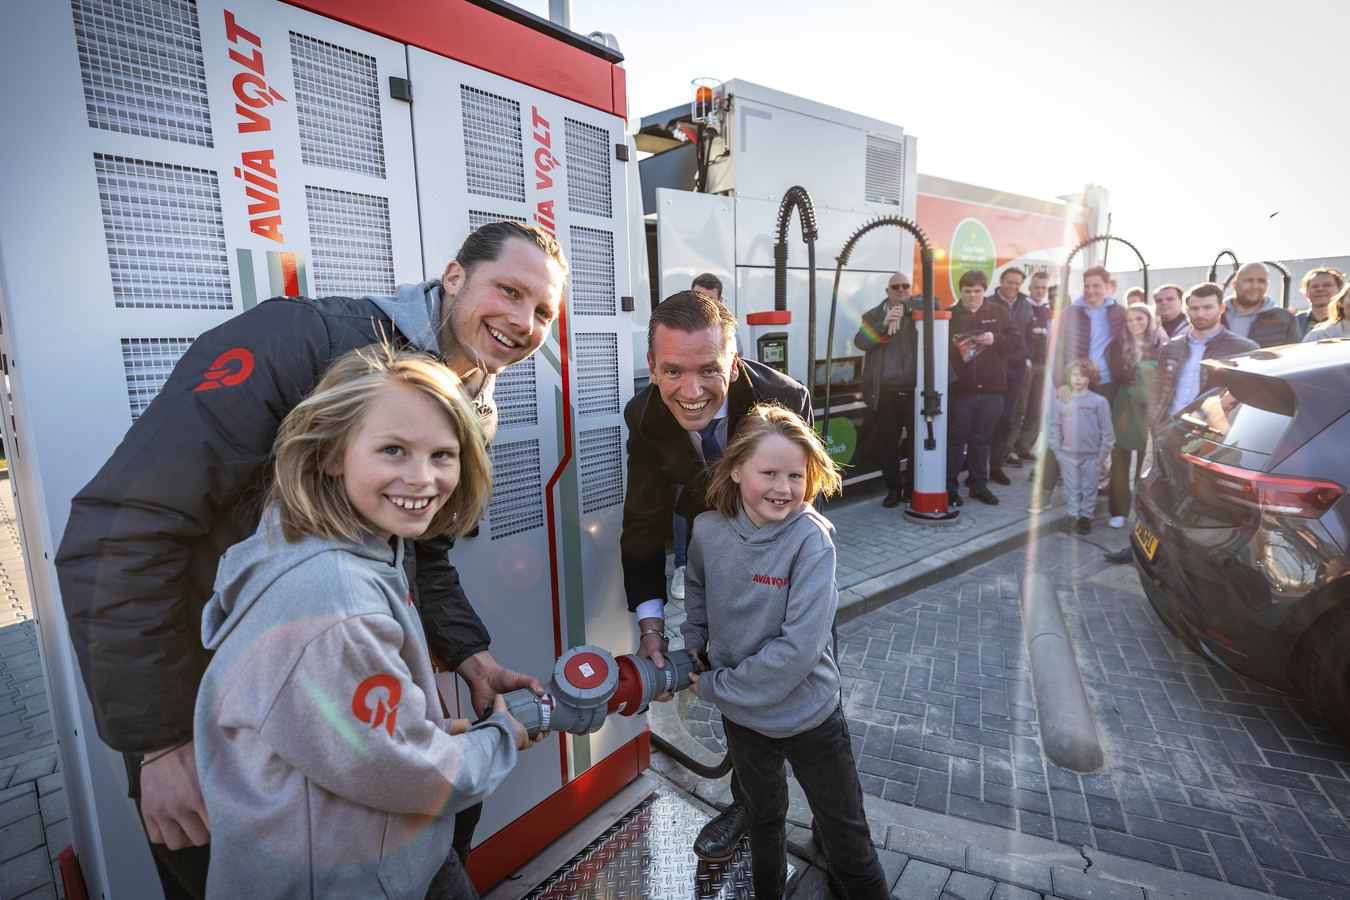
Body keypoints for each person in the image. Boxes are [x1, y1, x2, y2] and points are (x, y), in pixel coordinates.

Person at [55, 221, 563, 896]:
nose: (525, 322)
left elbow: (425, 555)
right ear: (452, 277)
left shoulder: (472, 399)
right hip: (222, 732)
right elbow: (121, 531)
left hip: (354, 727)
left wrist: (472, 657)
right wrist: (163, 743)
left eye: (544, 311)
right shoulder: (299, 340)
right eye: (509, 291)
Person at [195, 347, 527, 900]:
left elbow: (350, 737)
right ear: (332, 454)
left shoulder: (353, 544)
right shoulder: (335, 601)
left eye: (442, 454)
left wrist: (425, 728)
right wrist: (499, 739)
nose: (422, 478)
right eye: (393, 450)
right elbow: (407, 772)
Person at [621, 290, 811, 861]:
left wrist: (777, 599)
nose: (691, 391)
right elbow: (643, 522)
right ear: (652, 367)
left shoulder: (781, 399)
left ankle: (832, 818)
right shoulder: (645, 414)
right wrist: (652, 625)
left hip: (785, 562)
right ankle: (748, 804)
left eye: (708, 370)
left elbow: (800, 503)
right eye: (672, 371)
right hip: (719, 557)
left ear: (732, 363)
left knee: (806, 698)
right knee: (734, 686)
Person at [682, 404, 887, 900]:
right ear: (736, 469)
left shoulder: (811, 540)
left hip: (810, 718)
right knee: (763, 820)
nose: (783, 488)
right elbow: (697, 593)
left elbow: (798, 652)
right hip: (745, 718)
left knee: (846, 834)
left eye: (796, 475)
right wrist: (693, 643)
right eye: (769, 473)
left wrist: (714, 685)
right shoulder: (707, 530)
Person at [1029, 266, 1125, 514]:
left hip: (1109, 384)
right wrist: (1061, 383)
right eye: (1087, 286)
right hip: (1075, 383)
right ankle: (1045, 494)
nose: (1091, 290)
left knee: (1104, 437)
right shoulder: (1070, 313)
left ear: (1107, 286)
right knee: (1061, 436)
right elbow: (1055, 350)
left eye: (1096, 286)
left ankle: (1097, 493)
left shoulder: (1119, 313)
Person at [671, 273, 739, 601]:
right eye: (696, 299)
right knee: (683, 498)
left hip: (724, 442)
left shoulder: (729, 337)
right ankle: (682, 565)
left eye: (708, 301)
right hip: (688, 448)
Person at [947, 270, 1019, 506]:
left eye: (977, 291)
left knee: (981, 442)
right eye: (967, 291)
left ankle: (978, 486)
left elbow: (1017, 342)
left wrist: (995, 338)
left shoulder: (1000, 312)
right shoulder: (949, 315)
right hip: (960, 393)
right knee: (955, 442)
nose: (972, 296)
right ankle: (950, 489)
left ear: (984, 290)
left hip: (991, 393)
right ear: (960, 291)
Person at [1148, 283, 1259, 431]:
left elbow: (1247, 397)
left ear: (1221, 308)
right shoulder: (1171, 347)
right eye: (1195, 308)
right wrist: (1152, 425)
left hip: (1212, 431)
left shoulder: (1243, 349)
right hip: (1169, 427)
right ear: (1187, 310)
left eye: (1207, 308)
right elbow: (1156, 389)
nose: (1200, 314)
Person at [854, 271, 920, 507]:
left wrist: (905, 308)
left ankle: (911, 489)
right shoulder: (873, 315)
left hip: (915, 391)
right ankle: (893, 489)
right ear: (887, 291)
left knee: (917, 444)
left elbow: (936, 304)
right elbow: (861, 342)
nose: (901, 290)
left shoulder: (918, 309)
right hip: (886, 393)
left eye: (905, 286)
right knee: (889, 444)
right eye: (896, 287)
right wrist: (883, 323)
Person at [1106, 305, 1165, 529]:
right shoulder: (1117, 344)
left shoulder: (1160, 343)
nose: (1134, 324)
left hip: (1151, 406)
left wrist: (1137, 371)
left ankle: (1141, 512)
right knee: (1120, 459)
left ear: (1149, 319)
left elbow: (1164, 373)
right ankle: (1118, 511)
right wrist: (1146, 371)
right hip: (1124, 404)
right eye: (1129, 320)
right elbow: (1119, 374)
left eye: (1139, 319)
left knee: (1146, 460)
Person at [1048, 359, 1114, 535]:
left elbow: (1107, 431)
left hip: (1092, 457)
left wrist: (1102, 456)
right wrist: (1058, 452)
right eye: (1075, 375)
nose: (1078, 379)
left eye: (1083, 375)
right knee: (1072, 489)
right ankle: (1073, 517)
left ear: (1091, 379)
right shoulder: (1063, 400)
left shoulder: (1099, 401)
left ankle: (1086, 518)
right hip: (1068, 456)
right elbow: (1055, 426)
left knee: (1089, 488)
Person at [987, 268, 1032, 486]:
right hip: (993, 369)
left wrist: (1028, 357)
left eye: (1017, 283)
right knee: (987, 419)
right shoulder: (987, 303)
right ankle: (979, 467)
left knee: (1006, 419)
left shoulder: (1025, 305)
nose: (1013, 287)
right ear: (1001, 281)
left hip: (1016, 369)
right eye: (1009, 282)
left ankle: (996, 466)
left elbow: (1030, 335)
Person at [1008, 270, 1053, 467]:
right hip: (1027, 364)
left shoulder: (1047, 309)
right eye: (1037, 287)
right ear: (1029, 288)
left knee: (1035, 410)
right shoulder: (1022, 307)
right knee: (1019, 409)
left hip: (1045, 364)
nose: (1040, 291)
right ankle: (1008, 450)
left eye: (1044, 288)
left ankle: (1024, 448)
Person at [1222, 262, 1300, 348]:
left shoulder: (1286, 319)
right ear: (1235, 285)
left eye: (1261, 281)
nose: (1255, 286)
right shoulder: (1217, 315)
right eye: (1249, 280)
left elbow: (1292, 353)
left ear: (1267, 285)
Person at [1298, 268, 1345, 336]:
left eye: (1327, 285)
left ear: (1340, 290)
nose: (1320, 289)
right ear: (1306, 293)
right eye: (1314, 286)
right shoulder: (1294, 322)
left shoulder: (1347, 321)